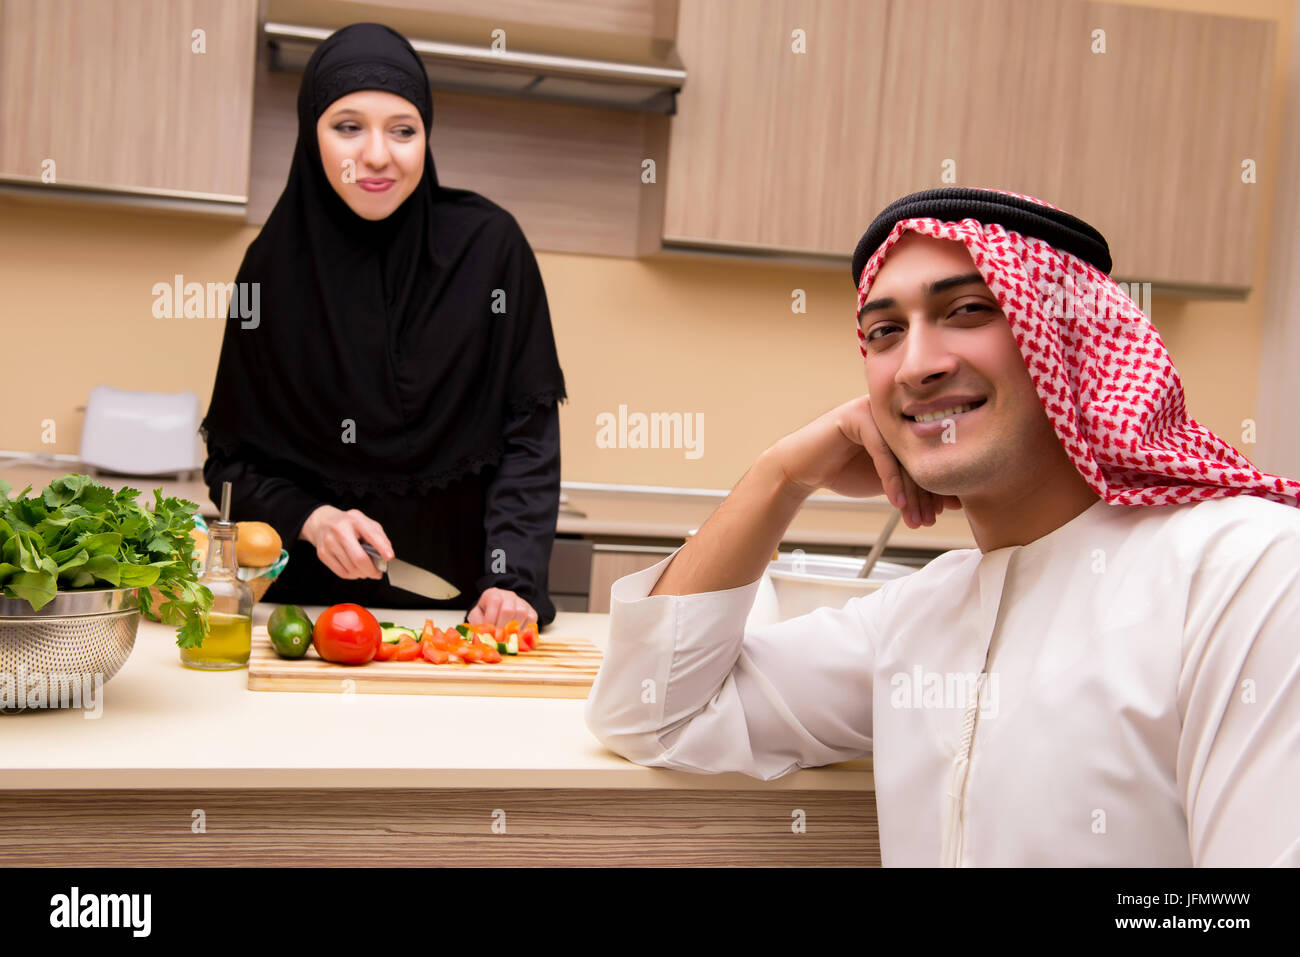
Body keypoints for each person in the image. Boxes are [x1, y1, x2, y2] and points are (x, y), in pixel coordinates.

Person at [584, 186, 1300, 866]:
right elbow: (650, 712)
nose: (917, 365)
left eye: (966, 310)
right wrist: (782, 476)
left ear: (1069, 339)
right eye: (886, 332)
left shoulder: (1246, 573)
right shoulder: (922, 614)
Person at [200, 23, 567, 628]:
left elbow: (528, 440)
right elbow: (233, 466)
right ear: (310, 134)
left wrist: (511, 581)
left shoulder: (490, 249)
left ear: (427, 138)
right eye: (348, 127)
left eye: (403, 130)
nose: (377, 155)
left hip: (466, 619)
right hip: (312, 622)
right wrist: (313, 519)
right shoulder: (269, 271)